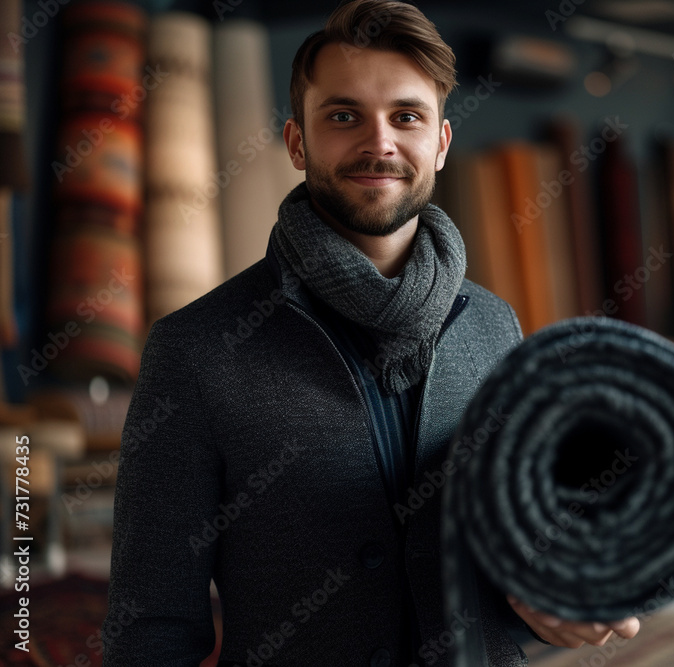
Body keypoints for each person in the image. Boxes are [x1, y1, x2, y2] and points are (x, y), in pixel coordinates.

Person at [102, 1, 639, 664]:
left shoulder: (496, 327)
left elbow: (512, 558)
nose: (379, 142)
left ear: (440, 143)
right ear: (297, 141)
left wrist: (549, 612)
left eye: (406, 116)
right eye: (344, 115)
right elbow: (151, 624)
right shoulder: (197, 350)